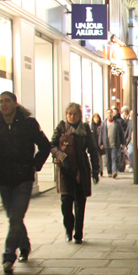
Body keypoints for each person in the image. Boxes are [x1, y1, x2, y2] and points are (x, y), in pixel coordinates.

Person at [0, 91, 50, 275]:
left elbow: (45, 146)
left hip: (23, 179)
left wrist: (34, 165)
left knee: (15, 216)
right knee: (14, 217)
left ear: (15, 103)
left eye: (7, 101)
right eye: (1, 101)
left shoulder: (28, 124)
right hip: (3, 179)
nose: (4, 104)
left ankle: (9, 255)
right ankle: (25, 245)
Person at [50, 103, 101, 244]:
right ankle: (68, 228)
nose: (71, 117)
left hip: (81, 169)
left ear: (79, 115)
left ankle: (78, 232)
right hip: (65, 170)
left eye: (74, 114)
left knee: (80, 202)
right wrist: (61, 156)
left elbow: (93, 150)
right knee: (66, 202)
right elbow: (52, 145)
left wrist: (96, 170)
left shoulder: (85, 129)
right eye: (69, 114)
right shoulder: (61, 127)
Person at [101, 108, 124, 178]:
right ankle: (109, 172)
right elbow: (101, 134)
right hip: (106, 144)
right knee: (108, 158)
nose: (109, 114)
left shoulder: (117, 123)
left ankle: (114, 171)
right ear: (106, 114)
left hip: (115, 143)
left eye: (110, 113)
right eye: (108, 113)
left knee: (114, 157)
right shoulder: (104, 124)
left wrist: (123, 142)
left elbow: (121, 133)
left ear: (112, 114)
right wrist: (100, 143)